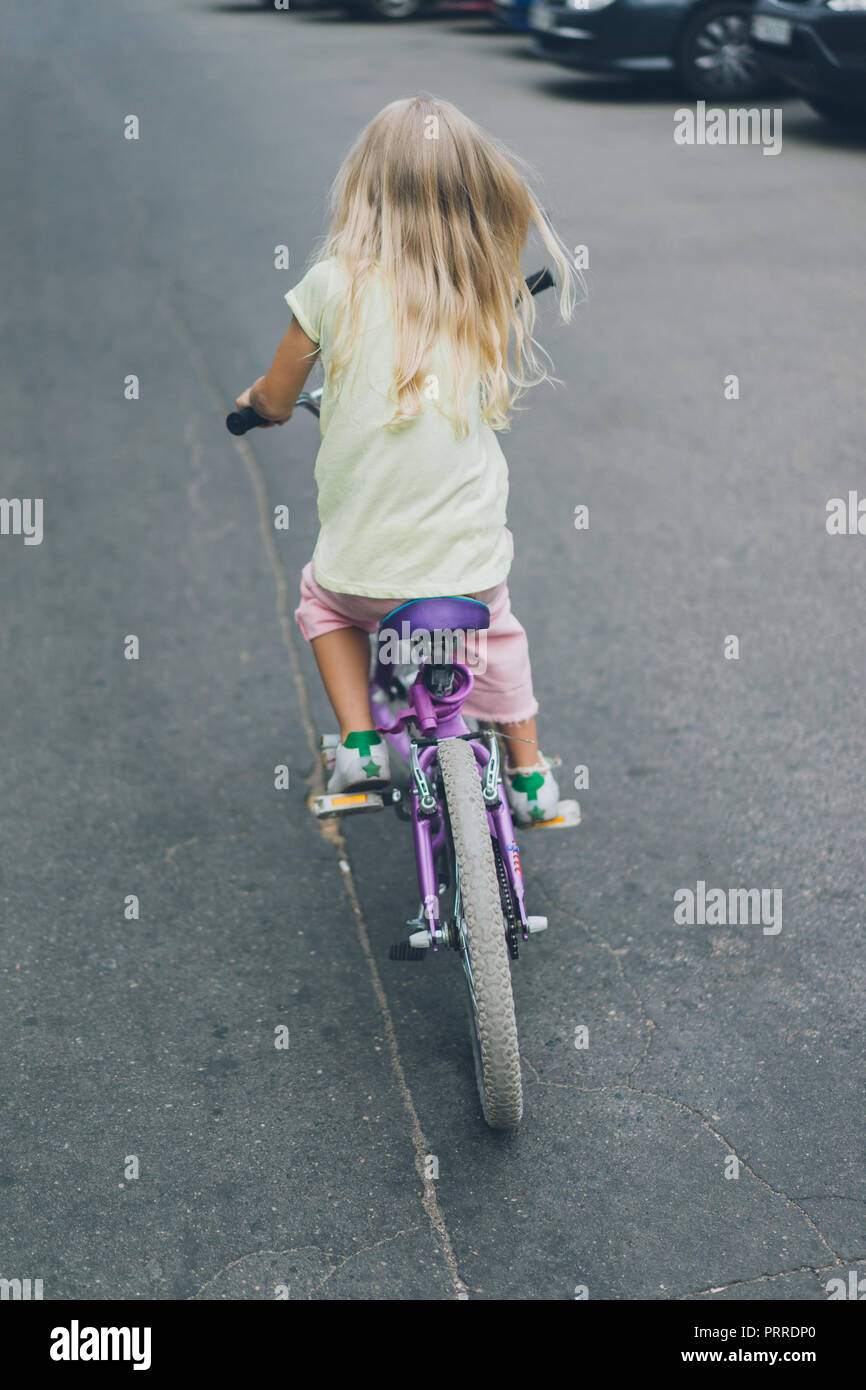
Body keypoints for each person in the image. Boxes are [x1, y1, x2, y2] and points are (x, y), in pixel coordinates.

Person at [235, 96, 575, 824]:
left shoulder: (330, 285)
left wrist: (262, 406)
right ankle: (530, 777)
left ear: (365, 188)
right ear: (472, 191)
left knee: (322, 600)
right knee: (500, 628)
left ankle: (359, 742)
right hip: (468, 578)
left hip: (364, 578)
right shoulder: (479, 286)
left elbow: (278, 390)